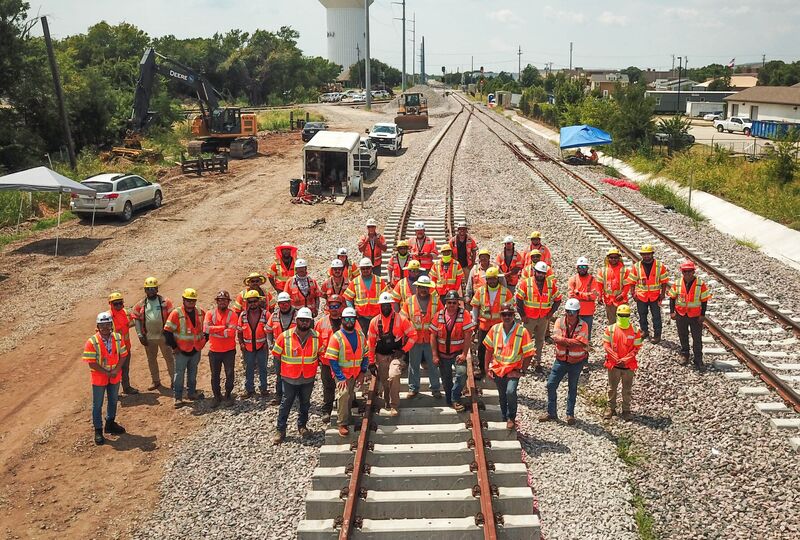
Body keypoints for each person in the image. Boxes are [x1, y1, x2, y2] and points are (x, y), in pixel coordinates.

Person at [272, 307, 321, 444]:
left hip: (308, 377)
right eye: (302, 320)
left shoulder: (317, 338)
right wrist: (281, 373)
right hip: (289, 378)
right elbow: (276, 355)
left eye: (307, 321)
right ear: (297, 320)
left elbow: (321, 355)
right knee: (286, 403)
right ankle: (280, 430)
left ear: (310, 322)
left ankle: (302, 426)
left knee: (305, 404)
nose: (304, 323)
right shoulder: (285, 336)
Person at [483, 302, 535, 430]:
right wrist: (486, 367)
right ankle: (503, 416)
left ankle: (511, 417)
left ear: (513, 315)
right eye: (504, 314)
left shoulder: (522, 331)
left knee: (510, 392)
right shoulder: (495, 329)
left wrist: (522, 370)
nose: (507, 317)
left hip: (513, 370)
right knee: (502, 395)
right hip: (498, 369)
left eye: (510, 314)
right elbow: (488, 349)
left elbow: (529, 353)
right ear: (501, 315)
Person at [539, 298, 590, 425]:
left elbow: (580, 341)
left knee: (572, 388)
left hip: (576, 361)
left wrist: (565, 341)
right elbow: (557, 339)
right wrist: (574, 342)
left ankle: (570, 414)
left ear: (578, 312)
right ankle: (551, 413)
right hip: (561, 360)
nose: (570, 314)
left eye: (572, 312)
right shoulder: (559, 322)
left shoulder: (583, 325)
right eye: (568, 311)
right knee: (551, 384)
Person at [368, 292, 417, 416]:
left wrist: (404, 350)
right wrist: (371, 362)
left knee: (394, 375)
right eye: (383, 305)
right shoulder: (374, 322)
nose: (385, 307)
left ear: (391, 305)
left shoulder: (401, 319)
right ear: (380, 306)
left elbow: (413, 335)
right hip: (381, 356)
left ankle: (394, 405)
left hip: (396, 356)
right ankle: (387, 403)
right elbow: (371, 343)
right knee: (385, 381)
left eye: (387, 305)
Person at [82, 312, 127, 445]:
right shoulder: (92, 342)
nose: (105, 328)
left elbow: (123, 355)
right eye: (102, 325)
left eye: (107, 325)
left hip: (114, 376)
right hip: (99, 378)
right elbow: (91, 362)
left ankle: (110, 424)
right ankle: (98, 430)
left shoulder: (118, 338)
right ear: (98, 326)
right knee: (98, 405)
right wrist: (107, 372)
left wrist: (117, 369)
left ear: (111, 325)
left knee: (113, 401)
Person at [325, 307, 369, 437]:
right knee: (344, 394)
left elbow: (365, 355)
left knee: (350, 395)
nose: (349, 322)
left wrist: (362, 373)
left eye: (352, 319)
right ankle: (342, 423)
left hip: (355, 373)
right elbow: (332, 360)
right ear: (342, 320)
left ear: (355, 320)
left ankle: (347, 415)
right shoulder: (336, 337)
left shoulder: (360, 336)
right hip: (342, 374)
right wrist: (340, 377)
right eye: (346, 319)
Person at [431, 291, 475, 411]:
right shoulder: (439, 315)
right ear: (445, 303)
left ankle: (455, 397)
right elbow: (433, 336)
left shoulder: (464, 314)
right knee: (446, 379)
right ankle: (450, 400)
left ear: (458, 303)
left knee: (461, 374)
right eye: (449, 302)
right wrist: (435, 355)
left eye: (454, 303)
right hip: (443, 354)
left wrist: (464, 354)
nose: (451, 305)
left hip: (457, 353)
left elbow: (468, 335)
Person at [163, 288, 207, 408]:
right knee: (179, 374)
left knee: (193, 373)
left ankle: (191, 393)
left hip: (196, 348)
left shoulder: (200, 312)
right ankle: (177, 397)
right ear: (183, 300)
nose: (191, 303)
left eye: (193, 301)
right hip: (181, 350)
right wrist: (174, 346)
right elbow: (167, 331)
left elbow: (207, 327)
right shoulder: (176, 313)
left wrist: (204, 341)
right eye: (188, 300)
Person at [515, 261, 562, 373]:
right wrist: (523, 316)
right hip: (529, 318)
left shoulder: (550, 285)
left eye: (543, 273)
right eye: (539, 272)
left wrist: (551, 314)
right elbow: (519, 300)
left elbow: (558, 299)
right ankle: (521, 362)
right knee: (524, 340)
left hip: (543, 318)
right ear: (534, 271)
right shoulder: (526, 283)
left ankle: (537, 362)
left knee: (539, 341)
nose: (540, 275)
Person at [401, 275, 442, 398]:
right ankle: (413, 388)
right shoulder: (409, 301)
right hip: (414, 340)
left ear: (429, 289)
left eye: (426, 287)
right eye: (421, 287)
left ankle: (435, 389)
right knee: (413, 365)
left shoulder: (436, 301)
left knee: (433, 364)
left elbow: (442, 318)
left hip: (431, 340)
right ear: (417, 288)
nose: (423, 290)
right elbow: (403, 319)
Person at [132, 277, 175, 391]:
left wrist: (170, 335)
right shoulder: (140, 305)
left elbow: (172, 318)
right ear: (145, 290)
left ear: (157, 289)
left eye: (153, 289)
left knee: (169, 358)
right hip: (149, 337)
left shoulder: (166, 302)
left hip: (163, 336)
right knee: (151, 359)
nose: (150, 291)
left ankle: (174, 381)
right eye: (148, 289)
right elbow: (136, 319)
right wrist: (140, 335)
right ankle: (155, 381)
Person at [668, 260, 712, 370]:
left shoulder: (700, 284)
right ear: (682, 272)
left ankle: (698, 359)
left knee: (697, 338)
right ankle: (685, 355)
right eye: (685, 271)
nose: (687, 274)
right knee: (683, 335)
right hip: (681, 314)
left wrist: (702, 314)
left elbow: (704, 300)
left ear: (693, 272)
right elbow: (672, 298)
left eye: (689, 271)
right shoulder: (677, 283)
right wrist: (672, 312)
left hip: (695, 316)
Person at [470, 267, 513, 379]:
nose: (492, 281)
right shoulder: (481, 291)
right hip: (484, 325)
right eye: (489, 279)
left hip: (499, 326)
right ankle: (482, 369)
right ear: (487, 280)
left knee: (498, 348)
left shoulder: (505, 292)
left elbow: (511, 310)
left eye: (493, 279)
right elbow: (475, 306)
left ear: (497, 279)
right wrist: (474, 321)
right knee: (482, 348)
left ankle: (497, 369)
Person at [602, 304, 643, 421]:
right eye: (621, 315)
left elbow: (636, 349)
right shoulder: (610, 329)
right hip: (614, 364)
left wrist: (625, 360)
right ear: (617, 315)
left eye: (625, 315)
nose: (623, 317)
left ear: (629, 316)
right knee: (612, 388)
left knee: (627, 390)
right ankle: (611, 408)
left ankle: (626, 410)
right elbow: (606, 346)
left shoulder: (635, 331)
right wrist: (616, 358)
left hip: (628, 366)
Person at [626, 244, 670, 343]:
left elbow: (664, 281)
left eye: (648, 254)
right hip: (641, 296)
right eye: (644, 254)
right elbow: (632, 281)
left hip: (655, 296)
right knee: (642, 315)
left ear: (652, 254)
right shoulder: (637, 266)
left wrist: (662, 294)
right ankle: (644, 331)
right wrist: (633, 293)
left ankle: (657, 335)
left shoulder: (659, 266)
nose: (646, 256)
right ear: (641, 255)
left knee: (656, 316)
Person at [203, 290, 238, 407]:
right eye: (220, 300)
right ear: (217, 301)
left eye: (225, 300)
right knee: (215, 375)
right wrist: (223, 327)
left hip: (229, 351)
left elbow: (231, 333)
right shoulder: (210, 313)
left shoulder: (232, 314)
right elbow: (206, 329)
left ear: (228, 302)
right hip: (214, 351)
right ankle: (216, 396)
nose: (222, 302)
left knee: (229, 374)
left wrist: (215, 330)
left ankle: (228, 394)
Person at [314, 294, 345, 422]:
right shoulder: (321, 323)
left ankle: (344, 408)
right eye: (331, 306)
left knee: (345, 387)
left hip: (343, 362)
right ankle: (327, 409)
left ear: (341, 307)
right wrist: (318, 360)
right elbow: (315, 342)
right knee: (328, 386)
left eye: (337, 306)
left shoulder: (348, 321)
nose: (334, 308)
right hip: (327, 362)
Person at [237, 289, 271, 401]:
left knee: (263, 368)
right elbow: (239, 331)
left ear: (259, 301)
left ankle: (263, 389)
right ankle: (249, 390)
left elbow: (270, 330)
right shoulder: (242, 315)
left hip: (262, 346)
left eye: (254, 301)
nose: (252, 304)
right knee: (249, 369)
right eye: (250, 302)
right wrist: (241, 343)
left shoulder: (266, 314)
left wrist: (267, 343)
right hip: (248, 348)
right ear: (247, 302)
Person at [267, 291, 297, 405]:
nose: (284, 305)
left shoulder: (297, 314)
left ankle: (293, 397)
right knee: (279, 375)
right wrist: (270, 343)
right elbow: (268, 331)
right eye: (281, 303)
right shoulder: (274, 315)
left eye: (286, 303)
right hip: (279, 351)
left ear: (290, 302)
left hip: (293, 351)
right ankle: (279, 396)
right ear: (278, 304)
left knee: (293, 374)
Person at [344, 257, 387, 334]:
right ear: (360, 269)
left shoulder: (379, 281)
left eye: (367, 268)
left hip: (377, 316)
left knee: (377, 338)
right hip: (361, 318)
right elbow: (348, 298)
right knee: (362, 338)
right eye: (363, 269)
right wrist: (352, 310)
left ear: (371, 268)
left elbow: (386, 297)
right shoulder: (355, 282)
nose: (365, 270)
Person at [108, 291, 138, 395]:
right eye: (115, 303)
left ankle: (126, 387)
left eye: (120, 303)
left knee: (125, 369)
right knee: (114, 371)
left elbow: (133, 322)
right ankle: (113, 392)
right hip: (114, 351)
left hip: (125, 348)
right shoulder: (108, 317)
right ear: (110, 304)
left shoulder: (126, 313)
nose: (118, 305)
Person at [595, 248, 632, 324]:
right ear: (608, 258)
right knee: (612, 321)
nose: (613, 259)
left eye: (615, 257)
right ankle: (613, 335)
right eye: (611, 257)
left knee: (623, 321)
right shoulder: (603, 270)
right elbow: (599, 285)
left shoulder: (624, 270)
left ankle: (622, 335)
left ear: (619, 258)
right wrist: (599, 296)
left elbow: (627, 285)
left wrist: (622, 295)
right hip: (609, 301)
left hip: (621, 300)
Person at [567, 257, 599, 339]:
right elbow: (571, 296)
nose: (582, 269)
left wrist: (578, 293)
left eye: (584, 267)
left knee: (586, 336)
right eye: (580, 267)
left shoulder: (593, 280)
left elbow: (594, 296)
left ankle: (584, 350)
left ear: (587, 268)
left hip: (588, 313)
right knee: (573, 334)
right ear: (576, 268)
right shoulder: (573, 280)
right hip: (574, 312)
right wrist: (586, 296)